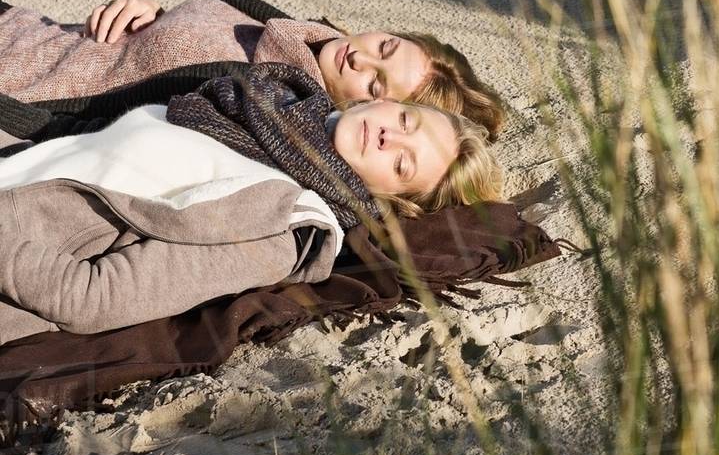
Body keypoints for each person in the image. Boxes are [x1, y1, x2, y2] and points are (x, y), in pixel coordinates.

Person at [0, 63, 503, 346]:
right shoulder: (251, 101)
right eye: (408, 122)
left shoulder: (279, 224)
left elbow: (92, 300)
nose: (388, 137)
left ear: (391, 198)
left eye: (402, 164)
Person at [0, 0, 506, 140]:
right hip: (26, 27)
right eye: (386, 47)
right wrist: (150, 14)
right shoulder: (292, 28)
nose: (364, 58)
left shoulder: (260, 104)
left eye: (375, 83)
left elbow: (92, 127)